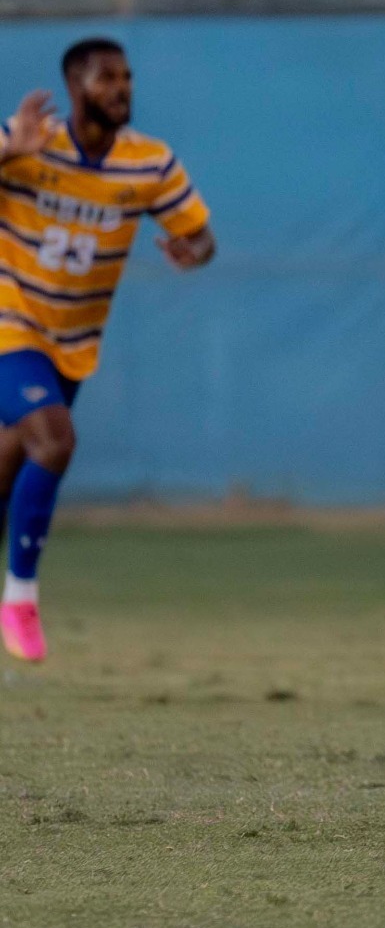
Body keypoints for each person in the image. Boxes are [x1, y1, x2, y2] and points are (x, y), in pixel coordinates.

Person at [0, 37, 215, 663]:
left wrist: (191, 252)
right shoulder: (30, 139)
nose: (121, 89)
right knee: (56, 440)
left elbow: (202, 236)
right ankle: (19, 599)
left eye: (127, 78)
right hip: (11, 322)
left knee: (14, 467)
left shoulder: (149, 163)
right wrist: (11, 148)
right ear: (74, 87)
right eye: (106, 79)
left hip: (73, 345)